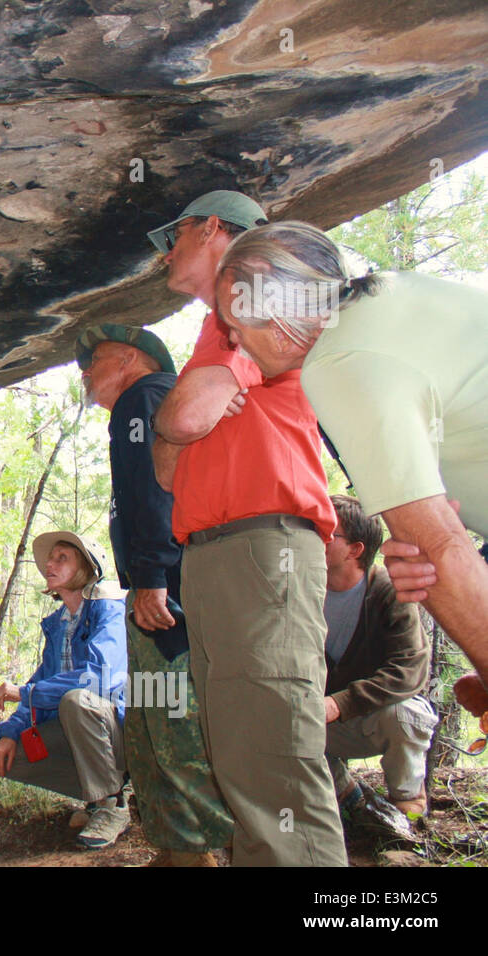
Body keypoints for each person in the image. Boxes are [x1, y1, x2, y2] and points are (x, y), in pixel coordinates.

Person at [148, 191, 347, 866]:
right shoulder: (219, 328)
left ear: (210, 229)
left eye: (171, 236)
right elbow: (170, 463)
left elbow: (180, 421)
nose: (164, 253)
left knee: (272, 755)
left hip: (263, 547)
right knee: (239, 751)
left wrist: (191, 407)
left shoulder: (263, 300)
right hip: (217, 554)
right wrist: (188, 410)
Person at [214, 220, 488, 684]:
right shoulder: (394, 295)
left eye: (235, 325)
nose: (234, 342)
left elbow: (437, 548)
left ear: (279, 317)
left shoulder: (339, 362)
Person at [77, 323, 233, 866]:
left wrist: (151, 579)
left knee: (171, 718)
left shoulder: (144, 397)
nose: (87, 373)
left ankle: (198, 851)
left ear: (129, 358)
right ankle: (175, 848)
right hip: (167, 585)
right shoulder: (152, 401)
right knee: (148, 717)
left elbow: (152, 493)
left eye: (95, 360)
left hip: (168, 592)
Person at [0, 532, 132, 850]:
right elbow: (41, 682)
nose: (49, 564)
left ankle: (113, 804)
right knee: (13, 756)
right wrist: (10, 732)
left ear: (86, 568)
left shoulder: (108, 611)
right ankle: (96, 800)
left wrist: (25, 692)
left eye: (62, 557)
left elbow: (102, 679)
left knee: (76, 700)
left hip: (124, 734)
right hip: (89, 729)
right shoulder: (58, 624)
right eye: (50, 558)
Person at [321, 496, 435, 819]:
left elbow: (409, 670)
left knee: (403, 714)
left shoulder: (388, 591)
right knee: (280, 721)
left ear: (355, 550)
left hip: (375, 715)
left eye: (328, 531)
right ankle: (349, 799)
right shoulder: (303, 589)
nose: (316, 535)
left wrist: (339, 703)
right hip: (326, 721)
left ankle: (408, 805)